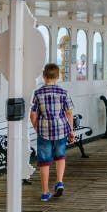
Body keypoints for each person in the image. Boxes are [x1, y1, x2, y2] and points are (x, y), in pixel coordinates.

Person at [30, 63, 76, 201]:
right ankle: (60, 181)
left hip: (44, 131)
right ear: (58, 77)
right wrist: (71, 130)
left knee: (44, 162)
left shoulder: (38, 93)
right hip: (61, 129)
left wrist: (37, 128)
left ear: (44, 76)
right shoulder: (63, 92)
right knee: (60, 157)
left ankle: (45, 192)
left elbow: (33, 115)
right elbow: (69, 112)